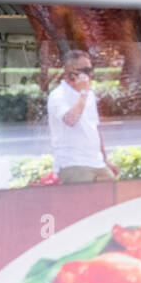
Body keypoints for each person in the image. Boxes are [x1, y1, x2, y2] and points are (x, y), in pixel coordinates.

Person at [47, 50, 117, 183]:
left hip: (96, 162)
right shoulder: (58, 95)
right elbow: (70, 120)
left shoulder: (89, 94)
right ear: (70, 72)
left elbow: (94, 128)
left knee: (112, 197)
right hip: (72, 162)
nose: (90, 74)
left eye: (91, 69)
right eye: (85, 70)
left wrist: (105, 160)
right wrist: (83, 93)